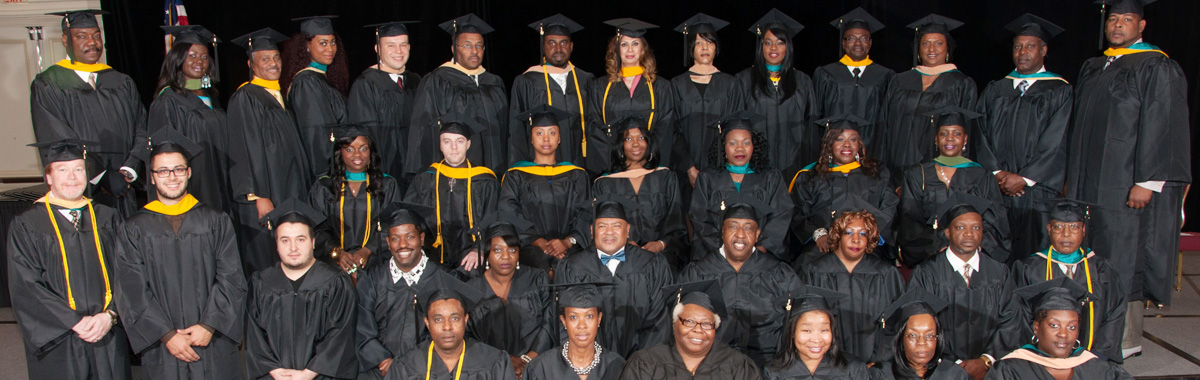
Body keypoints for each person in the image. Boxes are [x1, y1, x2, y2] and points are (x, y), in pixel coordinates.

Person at [1066, 0, 1190, 358]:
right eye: (1114, 19)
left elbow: (1163, 124)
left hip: (1125, 185)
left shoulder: (1156, 65)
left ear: (1142, 25)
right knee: (1092, 255)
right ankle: (1086, 334)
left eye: (1127, 19)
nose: (1118, 25)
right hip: (1090, 185)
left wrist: (1148, 181)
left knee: (1122, 258)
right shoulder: (1095, 65)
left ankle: (1124, 340)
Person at [116, 129, 246, 380]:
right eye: (162, 171)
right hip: (164, 344)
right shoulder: (134, 228)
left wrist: (209, 325)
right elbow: (131, 288)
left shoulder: (215, 221)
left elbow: (232, 277)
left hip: (211, 338)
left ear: (188, 172)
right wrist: (166, 335)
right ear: (152, 178)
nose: (171, 177)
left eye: (178, 169)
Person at [9, 140, 130, 380]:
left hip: (107, 333)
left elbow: (129, 272)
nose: (72, 177)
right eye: (62, 170)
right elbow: (26, 284)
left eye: (78, 169)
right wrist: (73, 322)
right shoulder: (28, 224)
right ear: (49, 177)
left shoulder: (109, 218)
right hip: (59, 338)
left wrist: (111, 315)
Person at [974, 14, 1072, 263]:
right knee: (995, 251)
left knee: (1034, 256)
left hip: (1037, 193)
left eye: (1030, 46)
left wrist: (1024, 178)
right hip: (997, 190)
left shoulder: (1059, 90)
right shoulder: (997, 89)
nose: (1023, 52)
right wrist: (997, 174)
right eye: (1018, 46)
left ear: (1044, 50)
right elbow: (980, 133)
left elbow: (1056, 140)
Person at [33, 10, 146, 217]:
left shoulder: (121, 82)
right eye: (82, 36)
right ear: (66, 40)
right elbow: (57, 137)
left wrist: (128, 171)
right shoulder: (49, 83)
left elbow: (142, 127)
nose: (92, 42)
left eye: (96, 35)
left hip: (124, 188)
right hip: (80, 189)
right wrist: (101, 175)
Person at [227, 28, 312, 276]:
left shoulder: (277, 94)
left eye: (276, 57)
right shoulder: (246, 97)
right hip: (267, 195)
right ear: (251, 64)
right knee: (267, 257)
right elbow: (243, 149)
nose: (273, 63)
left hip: (286, 187)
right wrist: (257, 195)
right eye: (265, 59)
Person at [908, 200, 1022, 380]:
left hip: (992, 369)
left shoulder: (999, 272)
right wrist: (953, 365)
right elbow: (919, 322)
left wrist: (986, 360)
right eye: (960, 228)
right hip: (940, 370)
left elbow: (1011, 320)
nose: (969, 234)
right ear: (947, 232)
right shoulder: (927, 272)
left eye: (976, 228)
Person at [679, 200, 803, 365]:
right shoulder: (698, 272)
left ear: (757, 235)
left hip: (768, 365)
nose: (740, 235)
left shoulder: (779, 273)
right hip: (711, 366)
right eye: (733, 226)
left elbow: (796, 323)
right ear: (722, 231)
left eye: (748, 228)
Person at [245, 199, 358, 380]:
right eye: (285, 240)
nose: (293, 248)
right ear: (276, 244)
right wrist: (273, 371)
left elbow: (340, 335)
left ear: (313, 242)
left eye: (300, 239)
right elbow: (254, 336)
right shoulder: (262, 283)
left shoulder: (334, 282)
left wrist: (308, 373)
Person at [554, 200, 673, 358]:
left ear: (628, 230)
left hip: (643, 364)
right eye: (602, 226)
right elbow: (565, 320)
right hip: (591, 365)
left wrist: (642, 364)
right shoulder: (573, 267)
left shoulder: (652, 264)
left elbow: (660, 319)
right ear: (592, 231)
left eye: (616, 225)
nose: (609, 232)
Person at [1011, 200, 1127, 363]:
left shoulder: (1102, 269)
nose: (1066, 234)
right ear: (1049, 229)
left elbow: (1114, 314)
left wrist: (1098, 357)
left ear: (1084, 230)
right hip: (1041, 358)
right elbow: (1020, 316)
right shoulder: (1028, 268)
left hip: (1092, 357)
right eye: (1059, 227)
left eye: (1074, 227)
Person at [899, 107, 1009, 267]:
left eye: (956, 133)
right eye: (944, 133)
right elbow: (909, 223)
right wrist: (941, 241)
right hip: (930, 258)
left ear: (965, 139)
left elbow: (995, 223)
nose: (950, 139)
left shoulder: (982, 176)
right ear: (936, 139)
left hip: (972, 257)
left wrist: (964, 245)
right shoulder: (918, 174)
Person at [406, 14, 509, 177]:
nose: (474, 51)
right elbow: (424, 131)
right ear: (454, 48)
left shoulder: (494, 82)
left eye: (479, 46)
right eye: (467, 45)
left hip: (493, 169)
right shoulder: (438, 80)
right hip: (452, 172)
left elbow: (504, 130)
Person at [354, 204, 449, 380]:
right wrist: (384, 362)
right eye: (395, 239)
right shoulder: (373, 279)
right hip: (376, 370)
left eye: (410, 237)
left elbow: (447, 332)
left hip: (427, 370)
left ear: (421, 238)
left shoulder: (443, 279)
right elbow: (362, 326)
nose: (403, 245)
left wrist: (408, 366)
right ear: (388, 243)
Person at [148, 25, 236, 215]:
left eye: (204, 57)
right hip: (194, 184)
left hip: (220, 179)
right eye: (192, 55)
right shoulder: (168, 100)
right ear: (178, 59)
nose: (199, 61)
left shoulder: (212, 96)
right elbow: (164, 152)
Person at [790, 115, 898, 266]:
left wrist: (868, 235)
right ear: (829, 144)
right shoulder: (810, 177)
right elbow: (798, 212)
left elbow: (890, 206)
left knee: (879, 267)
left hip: (866, 245)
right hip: (824, 244)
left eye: (852, 139)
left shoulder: (876, 174)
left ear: (859, 145)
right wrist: (818, 234)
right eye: (840, 139)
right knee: (808, 264)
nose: (847, 145)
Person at [876, 14, 977, 178]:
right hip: (895, 166)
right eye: (925, 44)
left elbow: (967, 131)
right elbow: (884, 124)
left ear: (947, 49)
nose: (931, 49)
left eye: (938, 44)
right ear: (918, 48)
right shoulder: (899, 80)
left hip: (937, 169)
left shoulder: (961, 83)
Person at [799, 211, 904, 365]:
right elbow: (804, 322)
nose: (856, 240)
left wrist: (880, 363)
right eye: (849, 233)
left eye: (863, 234)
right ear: (837, 235)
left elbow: (898, 323)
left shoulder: (886, 274)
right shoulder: (815, 272)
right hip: (826, 365)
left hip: (877, 367)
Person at [690, 111, 793, 261]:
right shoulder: (708, 178)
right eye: (733, 143)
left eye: (746, 142)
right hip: (716, 255)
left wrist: (760, 249)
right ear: (723, 147)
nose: (740, 148)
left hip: (761, 256)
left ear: (754, 146)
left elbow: (781, 215)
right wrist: (726, 251)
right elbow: (700, 218)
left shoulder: (770, 177)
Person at [499, 105, 592, 270]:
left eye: (552, 133)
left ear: (559, 138)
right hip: (530, 250)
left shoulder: (576, 175)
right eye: (539, 133)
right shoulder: (516, 175)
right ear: (532, 139)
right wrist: (539, 242)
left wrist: (567, 242)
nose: (546, 139)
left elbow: (585, 213)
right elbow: (509, 213)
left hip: (571, 250)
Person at [591, 114, 687, 272]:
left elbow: (676, 223)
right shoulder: (605, 183)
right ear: (620, 145)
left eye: (641, 138)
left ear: (649, 142)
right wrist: (622, 244)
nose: (636, 144)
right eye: (628, 139)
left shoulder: (665, 178)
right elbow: (598, 227)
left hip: (662, 257)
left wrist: (661, 244)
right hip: (620, 257)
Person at [985, 279, 1133, 380]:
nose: (1063, 334)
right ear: (1036, 327)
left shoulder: (1100, 368)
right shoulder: (1010, 369)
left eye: (1071, 327)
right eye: (1054, 325)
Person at [404, 117, 499, 272]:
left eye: (460, 141)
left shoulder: (484, 181)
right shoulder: (425, 179)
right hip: (430, 255)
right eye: (447, 141)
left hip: (472, 258)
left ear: (468, 144)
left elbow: (492, 219)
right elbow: (410, 218)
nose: (453, 147)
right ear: (440, 145)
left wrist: (479, 249)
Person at [308, 124, 403, 277]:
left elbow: (392, 224)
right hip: (333, 262)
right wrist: (338, 253)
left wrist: (367, 250)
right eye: (349, 149)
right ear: (340, 152)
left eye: (363, 148)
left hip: (377, 260)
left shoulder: (386, 185)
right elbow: (317, 228)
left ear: (371, 152)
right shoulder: (324, 186)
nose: (357, 155)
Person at [384, 272, 517, 380]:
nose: (447, 327)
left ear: (465, 320)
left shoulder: (494, 361)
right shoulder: (405, 366)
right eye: (438, 319)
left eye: (454, 318)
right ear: (427, 323)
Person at [586, 18, 677, 173]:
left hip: (648, 167)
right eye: (624, 44)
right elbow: (594, 127)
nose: (630, 50)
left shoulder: (660, 87)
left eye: (635, 44)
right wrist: (615, 161)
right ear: (616, 49)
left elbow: (665, 128)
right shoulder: (600, 86)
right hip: (613, 167)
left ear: (643, 49)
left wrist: (646, 160)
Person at [463, 220, 553, 377]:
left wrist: (528, 358)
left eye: (512, 250)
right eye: (497, 250)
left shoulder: (537, 280)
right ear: (487, 253)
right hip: (488, 370)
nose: (505, 257)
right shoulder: (470, 289)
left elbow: (550, 321)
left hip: (535, 367)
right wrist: (502, 360)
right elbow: (466, 334)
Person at [620, 280, 762, 379]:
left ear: (715, 328)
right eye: (690, 322)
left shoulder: (737, 366)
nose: (698, 330)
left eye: (707, 324)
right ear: (675, 324)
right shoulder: (645, 364)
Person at [670, 13, 743, 204]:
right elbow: (672, 129)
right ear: (691, 48)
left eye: (709, 42)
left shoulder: (731, 84)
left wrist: (722, 166)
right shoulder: (676, 84)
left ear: (716, 47)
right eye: (699, 43)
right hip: (685, 172)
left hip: (723, 170)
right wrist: (689, 168)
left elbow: (735, 129)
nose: (704, 48)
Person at [737, 9, 820, 168]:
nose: (773, 48)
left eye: (780, 42)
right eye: (768, 42)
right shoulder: (744, 80)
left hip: (796, 162)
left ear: (788, 46)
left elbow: (811, 125)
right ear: (761, 46)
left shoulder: (802, 81)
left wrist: (810, 165)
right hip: (755, 163)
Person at [509, 14, 593, 167]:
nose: (558, 49)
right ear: (543, 46)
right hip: (541, 166)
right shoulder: (527, 80)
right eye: (552, 43)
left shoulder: (585, 79)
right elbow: (517, 132)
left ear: (571, 46)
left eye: (564, 43)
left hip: (580, 162)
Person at [349, 21, 422, 180]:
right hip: (384, 173)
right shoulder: (366, 84)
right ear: (378, 49)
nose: (398, 51)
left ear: (409, 48)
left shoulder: (416, 81)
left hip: (415, 172)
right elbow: (366, 136)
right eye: (391, 45)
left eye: (403, 45)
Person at [284, 15, 350, 179]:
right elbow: (317, 135)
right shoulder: (307, 83)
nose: (330, 48)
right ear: (307, 46)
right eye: (323, 43)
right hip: (324, 172)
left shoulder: (321, 79)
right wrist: (326, 176)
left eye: (332, 42)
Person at [814, 7, 893, 140]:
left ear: (870, 43)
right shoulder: (826, 74)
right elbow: (816, 115)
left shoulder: (885, 76)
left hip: (873, 148)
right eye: (851, 38)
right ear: (843, 43)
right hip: (835, 148)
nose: (858, 43)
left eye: (863, 38)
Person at [523, 282, 626, 380]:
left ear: (599, 318)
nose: (582, 325)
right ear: (564, 321)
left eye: (589, 316)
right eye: (573, 317)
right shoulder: (541, 368)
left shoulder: (617, 366)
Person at [763, 286, 870, 379]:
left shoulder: (853, 368)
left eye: (824, 330)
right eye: (807, 330)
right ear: (792, 332)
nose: (816, 339)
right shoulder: (774, 372)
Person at [871, 288, 970, 380]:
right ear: (900, 339)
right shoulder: (882, 375)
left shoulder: (955, 375)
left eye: (930, 336)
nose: (922, 342)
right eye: (913, 335)